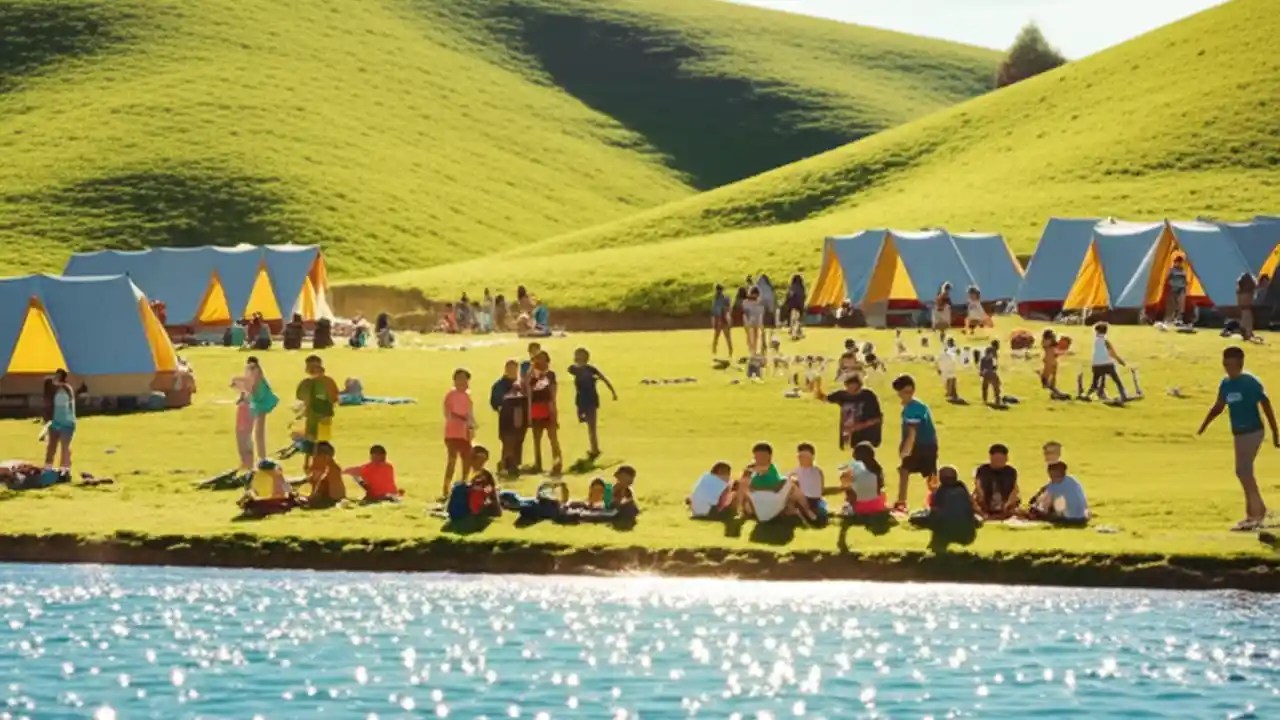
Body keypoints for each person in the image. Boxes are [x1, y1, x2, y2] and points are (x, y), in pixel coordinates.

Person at [1197, 346, 1280, 530]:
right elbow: (1218, 406)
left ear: (1240, 364)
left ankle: (1256, 515)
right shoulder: (1226, 384)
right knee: (1243, 471)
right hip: (1238, 433)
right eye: (1225, 364)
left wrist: (1275, 432)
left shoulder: (1250, 382)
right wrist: (1204, 425)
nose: (1227, 368)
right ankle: (1255, 512)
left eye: (1231, 364)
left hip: (1253, 432)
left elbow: (1266, 405)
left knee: (1243, 471)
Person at [892, 374, 938, 513]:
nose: (906, 395)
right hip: (924, 443)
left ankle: (936, 500)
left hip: (924, 445)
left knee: (930, 474)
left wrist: (905, 450)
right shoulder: (912, 406)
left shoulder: (914, 408)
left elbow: (912, 432)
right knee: (905, 471)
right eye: (904, 392)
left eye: (909, 391)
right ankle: (902, 501)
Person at [738, 442, 815, 523]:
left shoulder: (769, 468)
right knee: (743, 484)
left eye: (763, 456)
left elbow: (775, 488)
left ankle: (806, 511)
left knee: (791, 482)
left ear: (769, 456)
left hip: (772, 503)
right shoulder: (750, 470)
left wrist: (754, 487)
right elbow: (744, 487)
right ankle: (742, 511)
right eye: (757, 456)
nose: (760, 459)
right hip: (758, 504)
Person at [568, 348, 617, 458]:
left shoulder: (591, 369)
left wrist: (613, 392)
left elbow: (604, 379)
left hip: (591, 399)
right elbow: (573, 370)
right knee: (583, 421)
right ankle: (594, 448)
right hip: (580, 400)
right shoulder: (573, 369)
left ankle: (594, 449)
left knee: (592, 426)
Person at [295, 355, 339, 473]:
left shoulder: (308, 383)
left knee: (313, 441)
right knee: (320, 441)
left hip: (314, 417)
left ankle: (312, 465)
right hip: (324, 416)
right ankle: (319, 464)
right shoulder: (328, 381)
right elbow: (335, 397)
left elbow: (301, 396)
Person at [820, 373, 882, 452]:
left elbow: (876, 419)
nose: (851, 391)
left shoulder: (868, 396)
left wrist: (856, 427)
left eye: (854, 389)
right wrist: (816, 386)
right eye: (848, 388)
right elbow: (824, 398)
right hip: (849, 438)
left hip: (867, 438)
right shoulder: (843, 395)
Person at [525, 350, 563, 475]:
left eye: (541, 359)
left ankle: (557, 464)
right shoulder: (531, 376)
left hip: (547, 408)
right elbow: (529, 393)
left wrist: (554, 414)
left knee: (553, 439)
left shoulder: (550, 375)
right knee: (536, 440)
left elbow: (553, 395)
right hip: (536, 410)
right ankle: (538, 464)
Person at [908, 466, 977, 530]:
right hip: (964, 518)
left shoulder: (942, 490)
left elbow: (936, 508)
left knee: (916, 518)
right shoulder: (961, 486)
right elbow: (971, 503)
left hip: (947, 519)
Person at [442, 368, 476, 499]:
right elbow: (448, 414)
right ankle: (446, 486)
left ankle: (464, 483)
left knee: (466, 458)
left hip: (465, 433)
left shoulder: (468, 397)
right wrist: (462, 419)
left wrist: (471, 427)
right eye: (459, 379)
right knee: (452, 459)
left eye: (465, 380)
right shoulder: (450, 395)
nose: (462, 382)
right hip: (452, 433)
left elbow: (470, 414)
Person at [490, 360, 527, 477]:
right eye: (510, 369)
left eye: (515, 369)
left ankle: (515, 465)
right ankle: (504, 465)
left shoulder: (521, 384)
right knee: (508, 442)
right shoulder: (500, 385)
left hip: (520, 417)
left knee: (518, 441)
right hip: (507, 417)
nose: (513, 372)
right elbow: (495, 402)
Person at [1028, 461, 1089, 526]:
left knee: (1036, 512)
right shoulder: (1072, 479)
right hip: (1083, 518)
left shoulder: (1054, 486)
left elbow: (1043, 508)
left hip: (1069, 520)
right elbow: (1045, 487)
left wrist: (1034, 508)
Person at [972, 443, 1020, 520]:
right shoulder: (983, 470)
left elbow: (1014, 490)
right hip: (986, 503)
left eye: (1001, 459)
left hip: (1005, 503)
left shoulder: (1011, 471)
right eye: (996, 460)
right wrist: (981, 502)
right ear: (991, 458)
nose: (999, 462)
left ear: (1006, 458)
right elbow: (978, 487)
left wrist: (1007, 504)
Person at [1083, 322, 1128, 402]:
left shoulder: (1096, 341)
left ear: (1097, 331)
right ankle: (1123, 395)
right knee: (1117, 380)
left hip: (1096, 365)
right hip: (1107, 364)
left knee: (1095, 382)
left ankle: (1088, 395)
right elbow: (1112, 353)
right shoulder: (1106, 341)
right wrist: (1120, 361)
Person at [44, 369, 76, 476]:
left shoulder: (67, 389)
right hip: (55, 422)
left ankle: (65, 469)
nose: (54, 378)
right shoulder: (53, 390)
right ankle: (48, 468)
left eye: (56, 376)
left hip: (67, 423)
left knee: (65, 446)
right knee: (51, 445)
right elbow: (49, 405)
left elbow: (70, 406)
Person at [842, 441, 888, 516]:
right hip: (877, 506)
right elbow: (880, 489)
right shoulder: (877, 469)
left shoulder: (853, 468)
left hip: (858, 508)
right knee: (883, 492)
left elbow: (849, 492)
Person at [789, 442, 828, 523]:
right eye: (800, 456)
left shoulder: (817, 471)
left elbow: (820, 490)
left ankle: (806, 513)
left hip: (813, 501)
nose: (801, 459)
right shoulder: (794, 472)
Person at [305, 441, 347, 508]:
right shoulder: (330, 468)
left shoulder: (332, 471)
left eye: (316, 456)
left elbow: (318, 493)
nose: (314, 459)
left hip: (331, 500)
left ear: (326, 457)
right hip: (330, 499)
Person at [711, 284, 734, 359]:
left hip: (722, 318)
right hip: (721, 318)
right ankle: (716, 351)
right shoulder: (717, 298)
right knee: (720, 337)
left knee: (720, 337)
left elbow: (727, 308)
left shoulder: (719, 298)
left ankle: (729, 351)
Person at [742, 287, 765, 357]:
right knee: (750, 336)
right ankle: (752, 350)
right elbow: (745, 313)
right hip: (749, 320)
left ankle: (753, 351)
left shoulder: (759, 302)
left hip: (755, 320)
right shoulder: (746, 302)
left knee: (755, 336)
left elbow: (761, 312)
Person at [937, 336, 961, 402]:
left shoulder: (953, 350)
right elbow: (940, 359)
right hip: (948, 367)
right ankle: (952, 394)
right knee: (951, 380)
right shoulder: (947, 349)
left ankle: (950, 394)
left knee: (950, 381)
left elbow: (955, 357)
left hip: (950, 367)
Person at [979, 343, 1004, 408]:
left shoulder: (989, 359)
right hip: (988, 375)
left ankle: (996, 399)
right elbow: (983, 368)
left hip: (990, 375)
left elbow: (994, 368)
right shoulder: (985, 359)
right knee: (986, 388)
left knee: (995, 388)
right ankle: (986, 400)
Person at [1166, 255, 1189, 323]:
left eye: (1180, 262)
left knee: (1181, 304)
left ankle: (1179, 319)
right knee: (1172, 304)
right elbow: (1167, 278)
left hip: (1181, 289)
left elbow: (1185, 280)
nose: (1179, 264)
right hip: (1173, 289)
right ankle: (1170, 318)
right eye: (1177, 262)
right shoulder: (1171, 270)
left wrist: (1185, 284)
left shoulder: (1183, 271)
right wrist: (1171, 283)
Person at [1040, 329, 1062, 395]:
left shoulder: (1051, 343)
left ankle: (1053, 386)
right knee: (1047, 373)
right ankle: (1047, 385)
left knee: (1053, 375)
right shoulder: (1046, 342)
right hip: (1048, 360)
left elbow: (1055, 351)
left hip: (1053, 360)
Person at [785, 274, 806, 340]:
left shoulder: (791, 287)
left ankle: (795, 332)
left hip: (791, 307)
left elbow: (788, 297)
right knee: (797, 320)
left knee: (793, 320)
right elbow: (802, 298)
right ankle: (795, 334)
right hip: (798, 307)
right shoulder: (801, 288)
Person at [1237, 272, 1258, 339]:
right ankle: (1248, 333)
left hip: (1243, 308)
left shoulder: (1240, 291)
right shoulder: (1250, 290)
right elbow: (1251, 300)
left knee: (1244, 319)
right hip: (1248, 308)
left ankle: (1246, 332)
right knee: (1248, 320)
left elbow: (1239, 301)